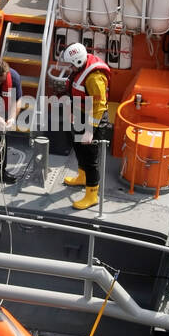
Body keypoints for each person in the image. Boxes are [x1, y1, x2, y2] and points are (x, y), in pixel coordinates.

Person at [59, 41, 111, 211]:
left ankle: (92, 194)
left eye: (70, 64)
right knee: (78, 146)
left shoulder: (95, 78)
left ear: (78, 62)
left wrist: (90, 131)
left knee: (91, 158)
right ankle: (82, 176)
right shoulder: (80, 70)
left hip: (94, 119)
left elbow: (99, 106)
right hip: (80, 113)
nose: (68, 67)